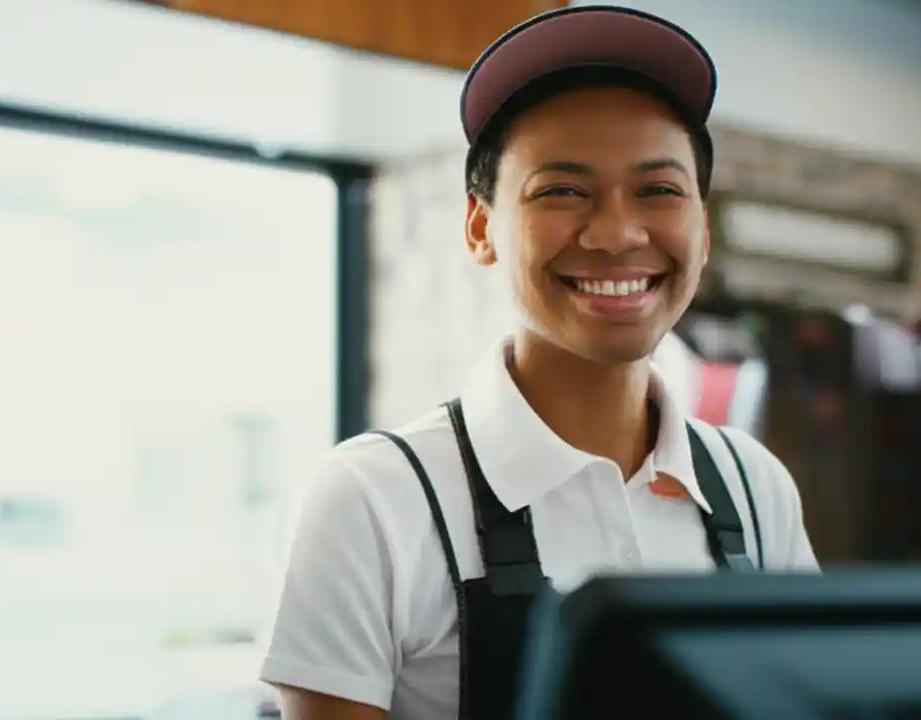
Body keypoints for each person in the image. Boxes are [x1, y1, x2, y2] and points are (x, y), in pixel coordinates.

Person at [260, 6, 818, 719]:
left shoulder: (753, 487)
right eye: (561, 190)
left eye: (659, 190)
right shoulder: (372, 499)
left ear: (703, 231)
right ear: (480, 227)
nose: (618, 233)